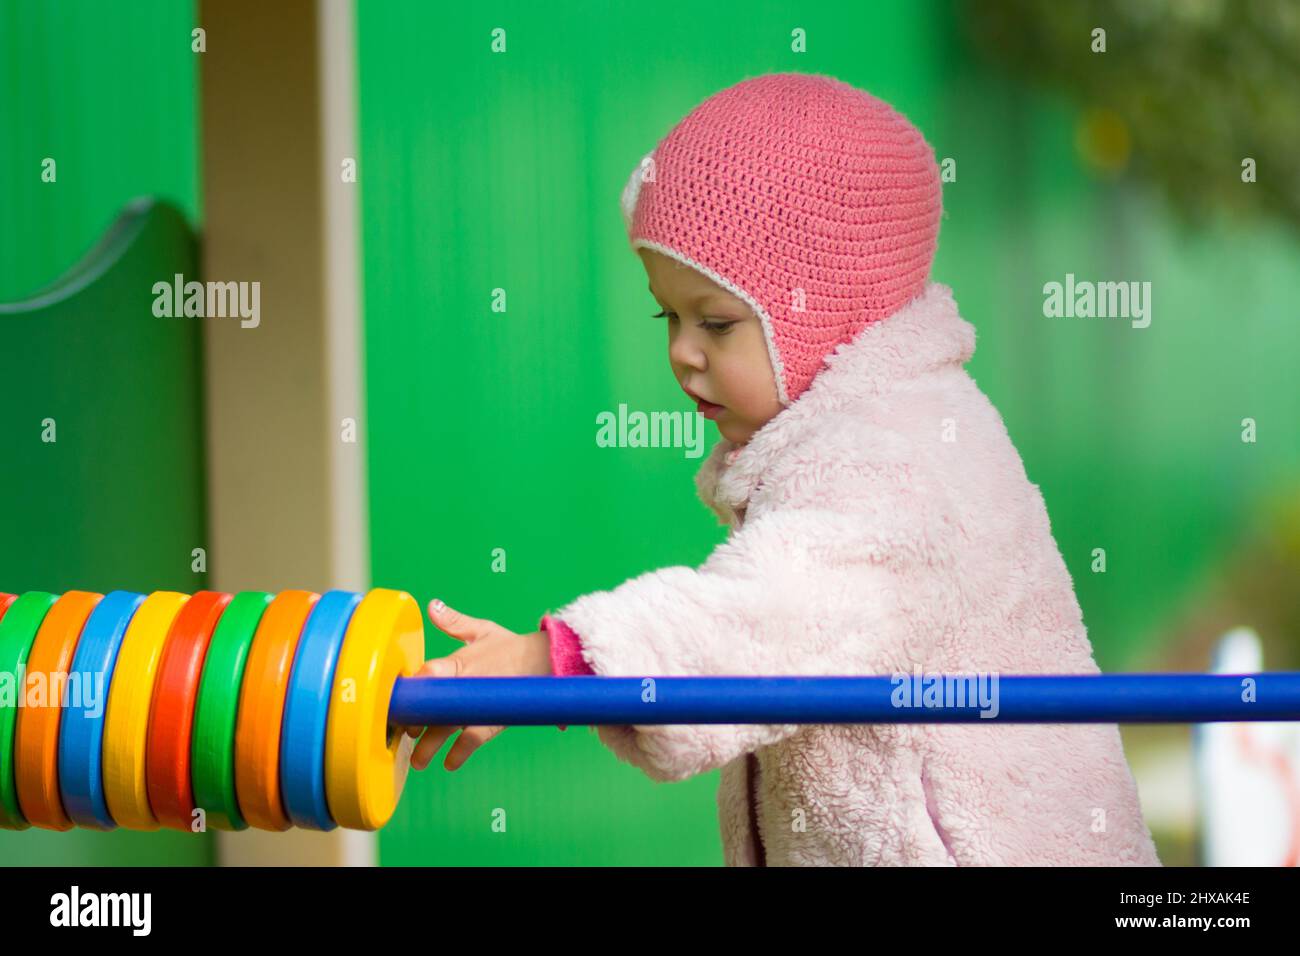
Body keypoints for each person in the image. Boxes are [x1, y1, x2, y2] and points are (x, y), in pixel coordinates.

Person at [400, 72, 1161, 867]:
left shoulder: (903, 460)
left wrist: (551, 661)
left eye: (717, 323)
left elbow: (770, 618)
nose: (681, 353)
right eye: (669, 314)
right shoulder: (848, 435)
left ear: (828, 308)